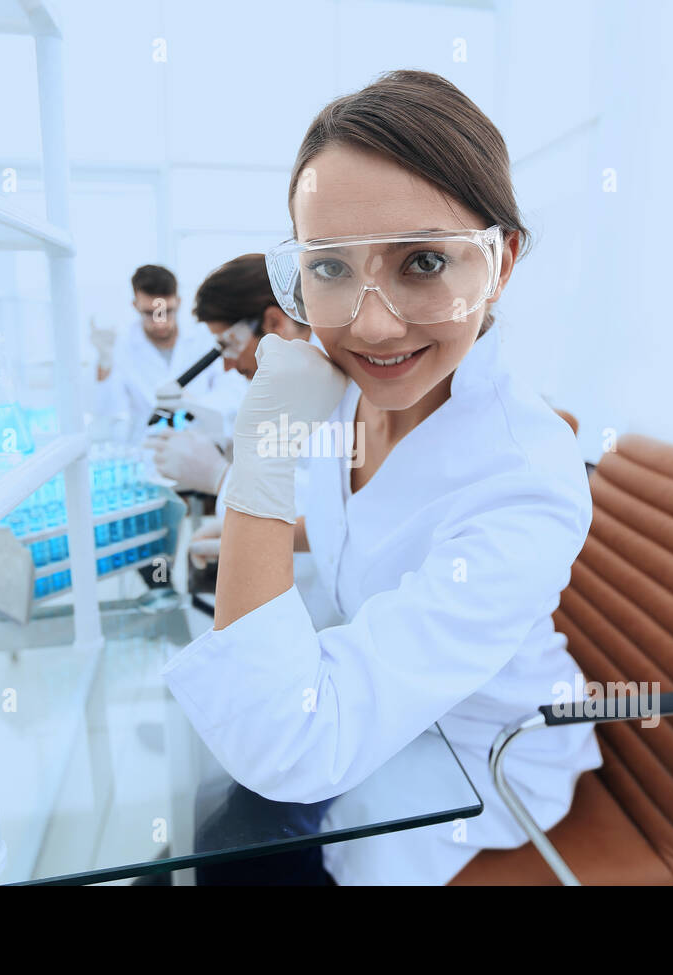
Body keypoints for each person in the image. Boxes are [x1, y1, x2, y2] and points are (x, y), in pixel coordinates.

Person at [160, 70, 602, 886]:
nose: (371, 322)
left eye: (424, 261)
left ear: (499, 263)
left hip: (478, 751)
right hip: (386, 705)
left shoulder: (525, 478)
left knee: (236, 851)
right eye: (329, 269)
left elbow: (291, 744)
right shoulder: (350, 395)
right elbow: (371, 525)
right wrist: (276, 527)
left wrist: (263, 456)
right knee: (197, 830)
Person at [148, 254, 310, 498]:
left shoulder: (338, 386)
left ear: (275, 322)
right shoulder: (292, 381)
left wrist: (222, 477)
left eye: (230, 346)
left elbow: (320, 510)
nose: (228, 366)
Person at [90, 264, 244, 444]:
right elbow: (108, 411)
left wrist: (195, 405)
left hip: (201, 445)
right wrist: (104, 363)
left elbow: (234, 393)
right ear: (135, 305)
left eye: (167, 311)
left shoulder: (205, 339)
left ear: (178, 302)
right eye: (150, 313)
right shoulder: (122, 346)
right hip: (149, 453)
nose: (160, 323)